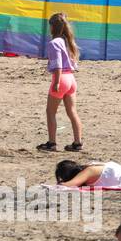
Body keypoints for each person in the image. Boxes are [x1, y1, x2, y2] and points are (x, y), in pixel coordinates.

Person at [39, 13, 83, 152]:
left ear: (52, 27)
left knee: (50, 111)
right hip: (71, 78)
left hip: (61, 78)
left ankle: (52, 143)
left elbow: (57, 63)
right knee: (72, 111)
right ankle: (78, 142)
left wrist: (56, 82)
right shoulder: (67, 40)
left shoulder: (54, 43)